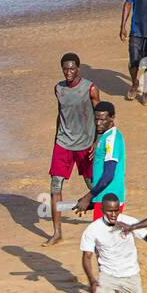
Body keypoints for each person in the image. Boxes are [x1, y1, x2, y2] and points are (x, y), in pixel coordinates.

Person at [44, 52, 100, 247]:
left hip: (86, 143)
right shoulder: (58, 88)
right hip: (63, 143)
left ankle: (110, 217)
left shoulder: (90, 88)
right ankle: (57, 232)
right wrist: (56, 139)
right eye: (65, 69)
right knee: (55, 187)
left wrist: (97, 141)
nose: (68, 72)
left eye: (72, 69)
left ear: (78, 69)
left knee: (93, 185)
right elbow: (60, 114)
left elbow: (100, 115)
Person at [74, 101, 125, 221]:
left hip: (109, 200)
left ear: (112, 118)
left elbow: (108, 175)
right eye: (96, 119)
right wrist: (93, 199)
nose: (98, 123)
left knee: (101, 238)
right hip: (103, 197)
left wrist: (88, 197)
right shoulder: (105, 136)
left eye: (102, 120)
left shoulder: (111, 140)